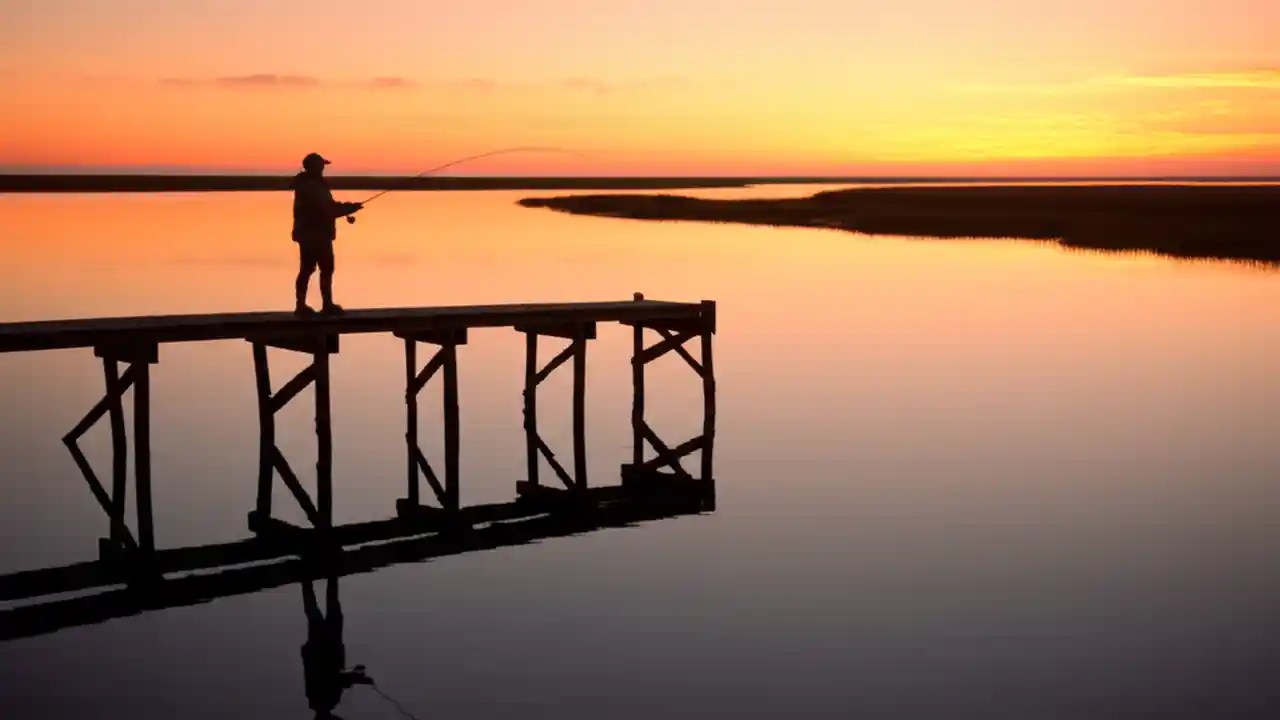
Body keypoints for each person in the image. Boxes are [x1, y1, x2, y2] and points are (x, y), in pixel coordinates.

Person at [291, 153, 362, 316]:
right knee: (311, 269)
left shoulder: (311, 184)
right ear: (315, 167)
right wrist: (347, 209)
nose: (324, 168)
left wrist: (347, 208)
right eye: (321, 165)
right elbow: (324, 209)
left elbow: (327, 206)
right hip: (314, 234)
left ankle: (321, 304)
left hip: (314, 234)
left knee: (321, 269)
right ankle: (304, 306)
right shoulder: (312, 186)